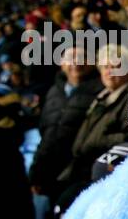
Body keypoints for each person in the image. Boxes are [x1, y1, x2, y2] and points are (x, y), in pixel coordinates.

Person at [56, 44, 128, 211]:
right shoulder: (101, 97)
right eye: (105, 67)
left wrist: (96, 141)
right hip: (81, 169)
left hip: (105, 174)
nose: (109, 71)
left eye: (116, 66)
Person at [30, 47, 104, 206]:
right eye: (70, 57)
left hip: (82, 175)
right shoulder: (54, 91)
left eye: (83, 57)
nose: (76, 63)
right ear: (62, 64)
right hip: (52, 173)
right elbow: (45, 134)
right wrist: (37, 173)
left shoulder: (102, 90)